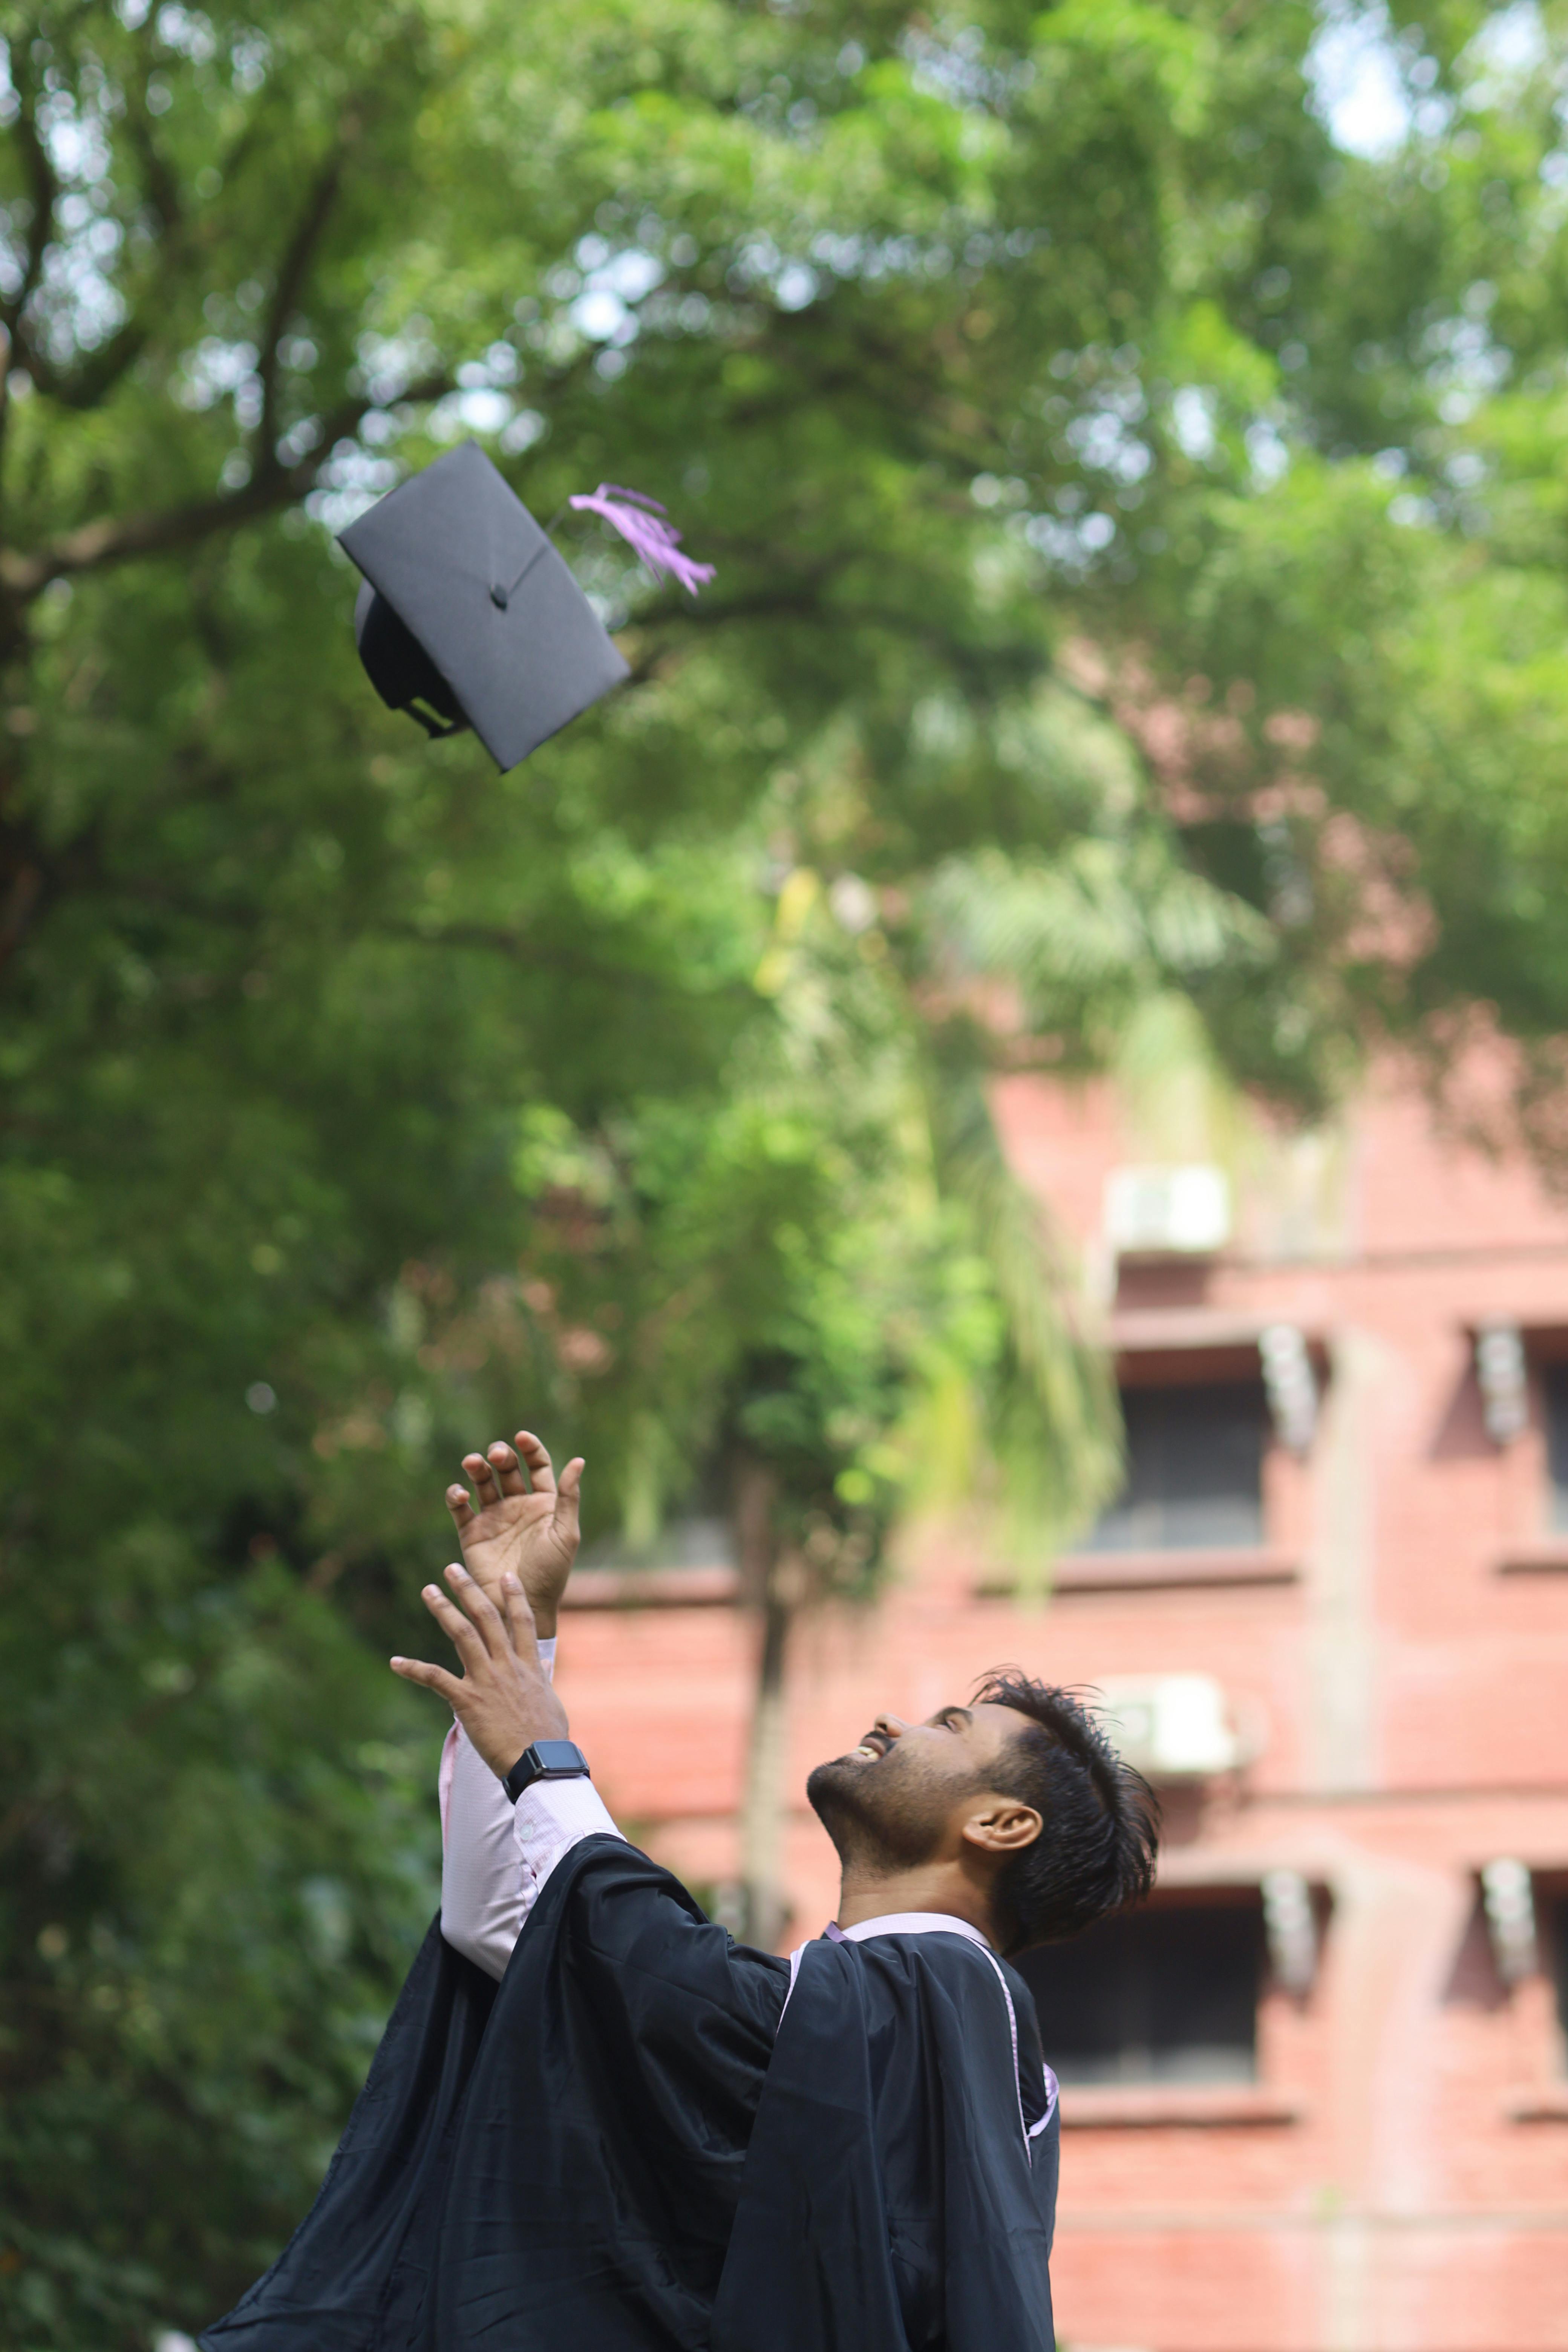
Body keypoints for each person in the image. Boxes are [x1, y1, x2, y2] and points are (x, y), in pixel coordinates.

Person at [202, 1433, 1158, 2352]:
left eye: (949, 1726)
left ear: (999, 1825)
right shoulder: (861, 2013)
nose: (892, 1720)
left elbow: (687, 2000)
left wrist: (544, 1760)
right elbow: (507, 1932)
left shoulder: (961, 1996)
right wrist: (520, 1630)